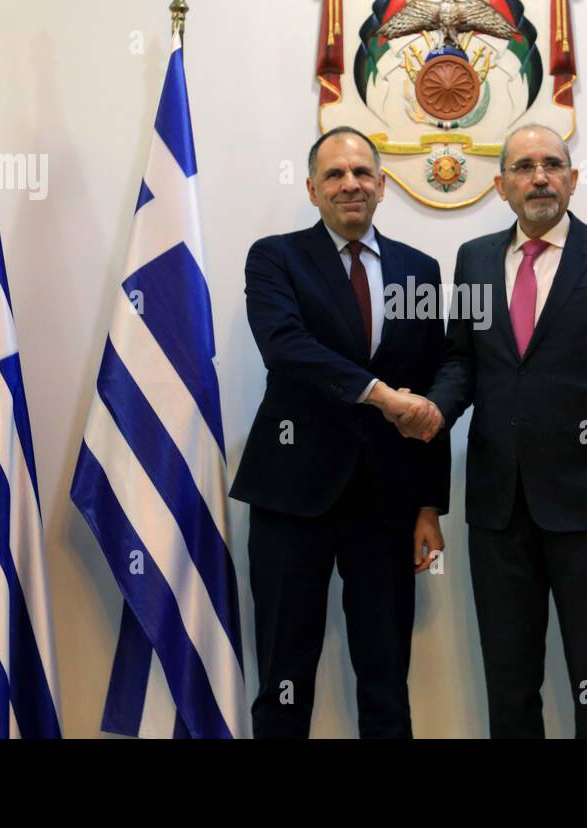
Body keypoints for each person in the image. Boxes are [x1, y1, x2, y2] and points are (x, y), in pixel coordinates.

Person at [400, 124, 587, 738]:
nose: (539, 176)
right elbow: (462, 362)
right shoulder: (473, 259)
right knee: (510, 680)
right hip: (500, 507)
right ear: (501, 185)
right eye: (524, 166)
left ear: (572, 179)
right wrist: (437, 410)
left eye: (553, 164)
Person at [230, 126, 449, 738]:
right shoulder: (274, 257)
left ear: (382, 186)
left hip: (387, 504)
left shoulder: (420, 271)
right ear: (311, 189)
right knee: (283, 676)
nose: (349, 184)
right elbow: (285, 348)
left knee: (385, 679)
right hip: (292, 496)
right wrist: (380, 396)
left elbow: (430, 385)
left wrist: (429, 506)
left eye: (361, 174)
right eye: (334, 175)